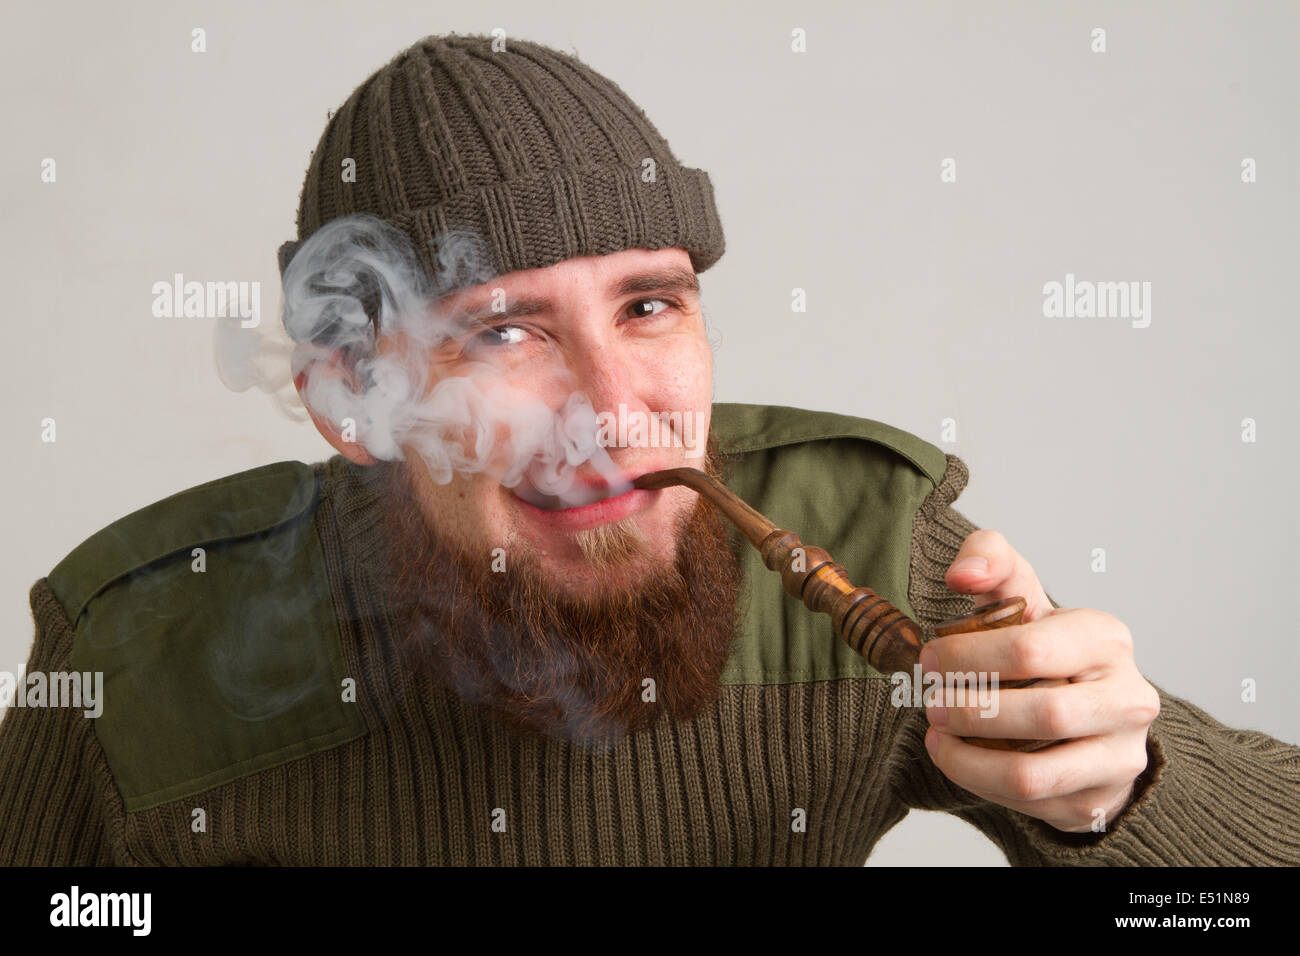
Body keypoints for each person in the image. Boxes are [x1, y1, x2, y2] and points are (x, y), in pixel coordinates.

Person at [2, 33, 1296, 866]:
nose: (617, 411)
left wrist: (1125, 802)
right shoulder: (138, 658)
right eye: (506, 329)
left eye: (650, 304)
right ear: (354, 392)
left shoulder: (863, 549)